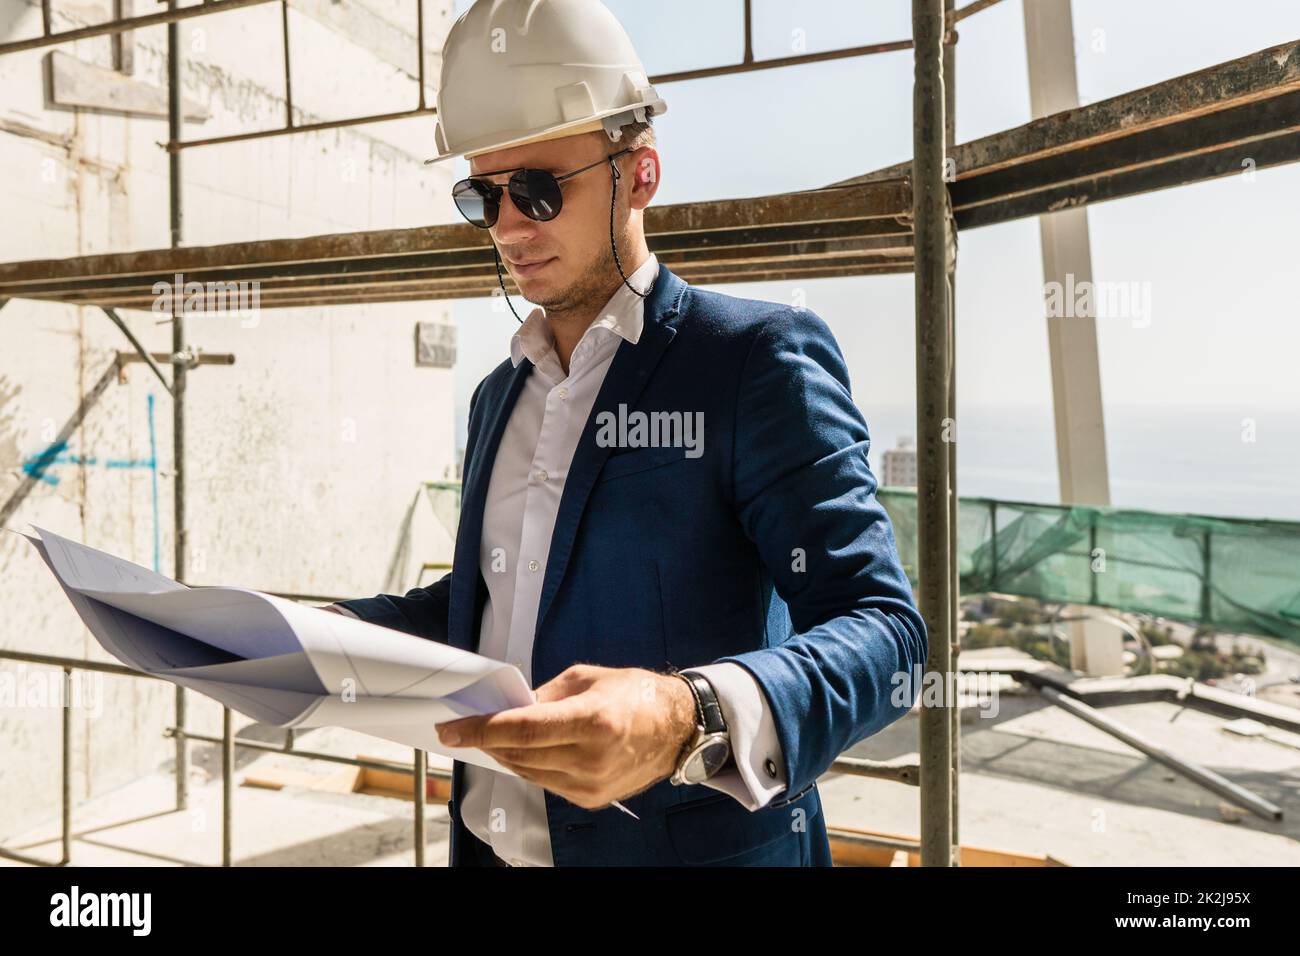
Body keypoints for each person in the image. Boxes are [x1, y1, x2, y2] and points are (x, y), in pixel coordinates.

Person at [326, 0, 927, 867]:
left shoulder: (752, 361)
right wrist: (320, 635)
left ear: (638, 174)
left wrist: (692, 715)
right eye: (481, 196)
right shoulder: (499, 396)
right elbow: (494, 606)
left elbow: (886, 634)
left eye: (536, 189)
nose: (505, 228)